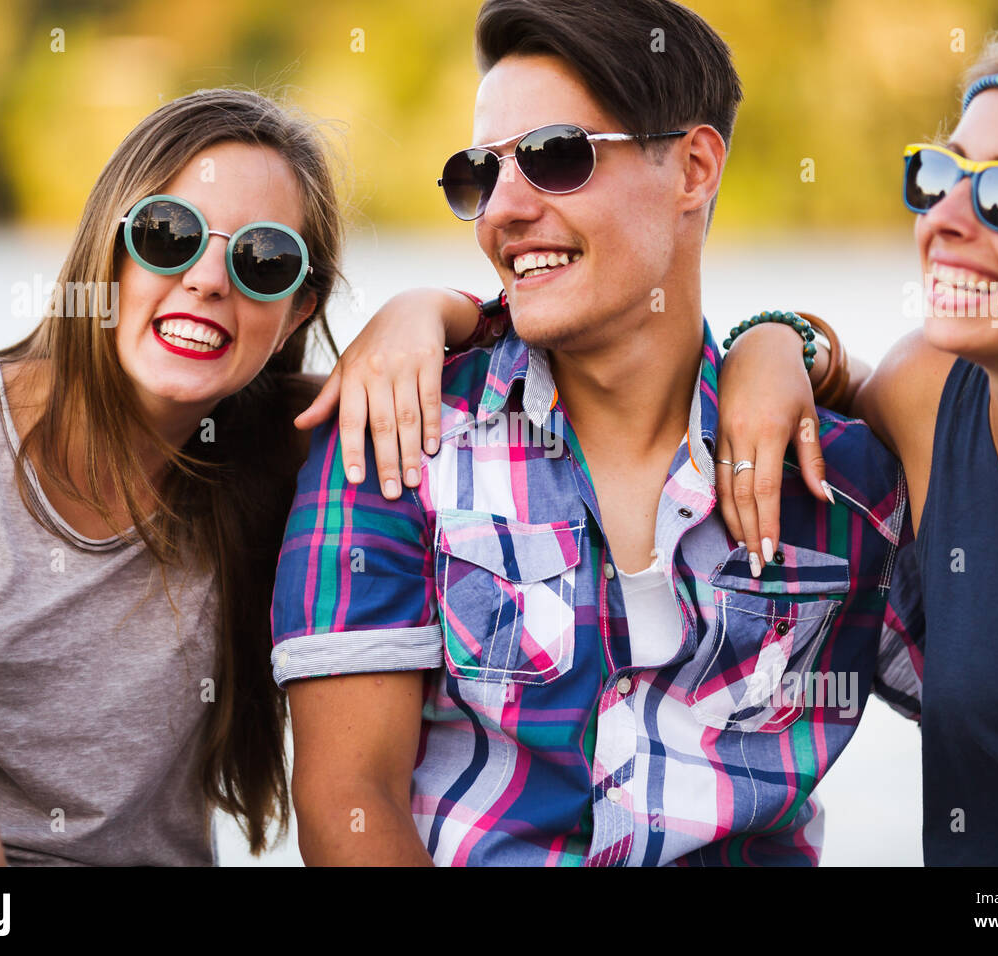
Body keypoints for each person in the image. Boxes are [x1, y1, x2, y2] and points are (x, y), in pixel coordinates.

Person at [273, 0, 922, 867]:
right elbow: (349, 804)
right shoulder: (398, 439)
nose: (502, 209)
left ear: (693, 168)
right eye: (480, 172)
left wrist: (789, 341)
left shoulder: (845, 482)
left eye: (553, 157)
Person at [0, 88, 473, 865]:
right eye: (168, 235)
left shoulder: (300, 446)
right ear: (106, 251)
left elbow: (490, 377)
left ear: (295, 309)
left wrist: (424, 307)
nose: (210, 281)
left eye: (262, 259)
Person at [712, 19, 998, 865]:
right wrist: (773, 339)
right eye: (938, 175)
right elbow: (831, 373)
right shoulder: (929, 395)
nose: (944, 220)